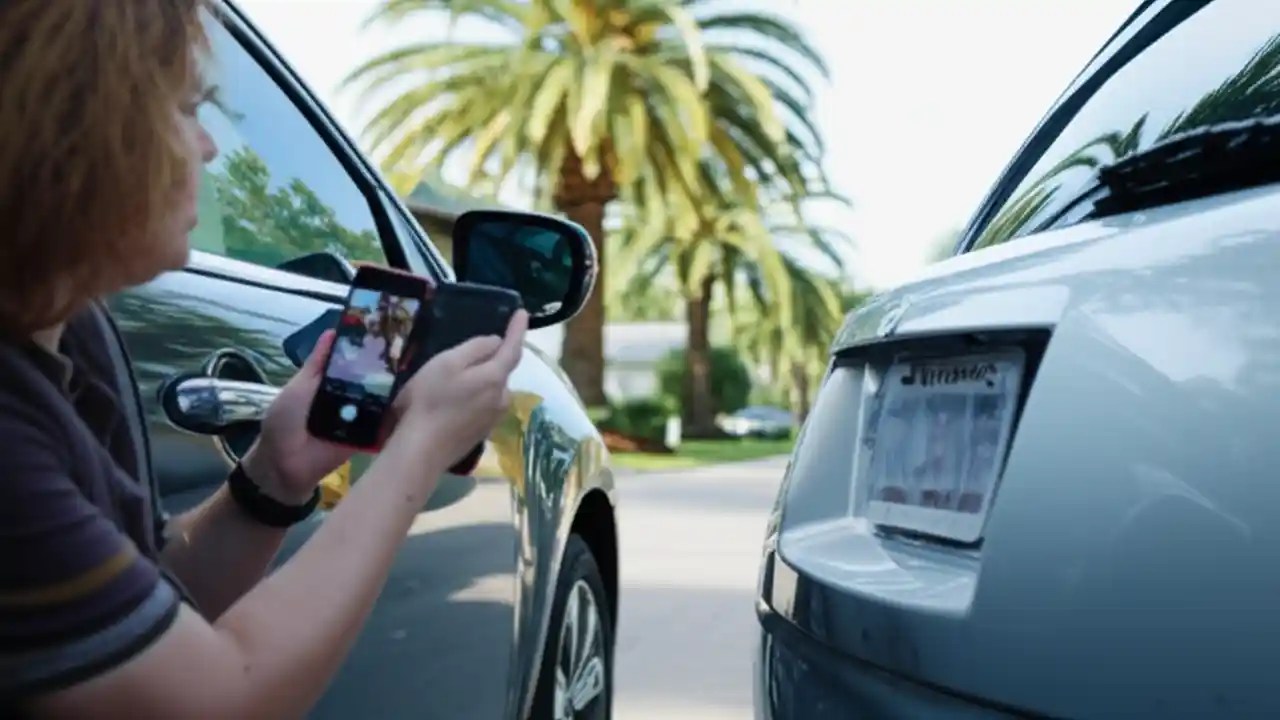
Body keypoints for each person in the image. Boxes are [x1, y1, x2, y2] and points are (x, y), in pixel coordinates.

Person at [0, 2, 528, 717]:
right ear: (72, 132)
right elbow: (216, 699)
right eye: (186, 109)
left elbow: (146, 630)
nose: (209, 148)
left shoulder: (73, 339)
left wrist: (273, 479)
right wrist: (419, 447)